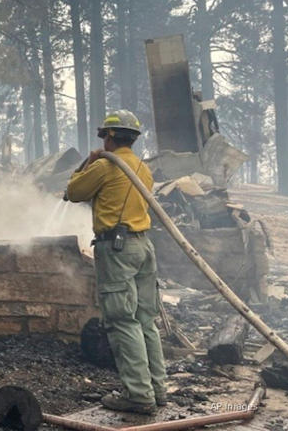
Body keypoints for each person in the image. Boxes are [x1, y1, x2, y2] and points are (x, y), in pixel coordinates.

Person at [65, 110, 167, 415]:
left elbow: (72, 192)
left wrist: (90, 160)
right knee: (145, 319)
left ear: (109, 137)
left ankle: (138, 395)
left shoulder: (106, 166)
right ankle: (157, 389)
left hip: (117, 250)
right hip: (143, 246)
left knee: (122, 321)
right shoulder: (142, 168)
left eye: (104, 137)